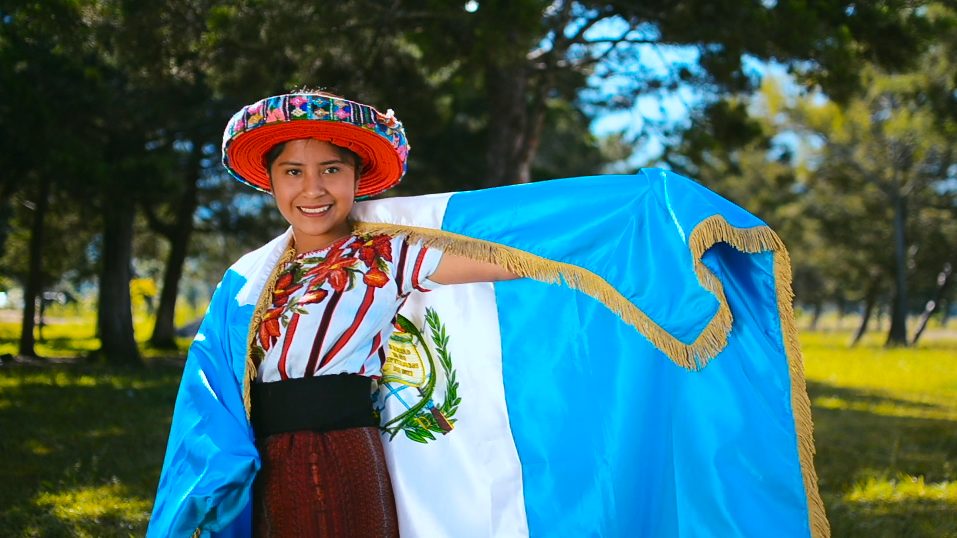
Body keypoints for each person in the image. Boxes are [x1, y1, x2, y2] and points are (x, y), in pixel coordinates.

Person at [150, 91, 829, 538]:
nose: (313, 187)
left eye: (330, 169)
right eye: (293, 171)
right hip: (266, 457)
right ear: (269, 183)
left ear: (358, 181)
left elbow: (511, 256)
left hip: (337, 451)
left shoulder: (386, 256)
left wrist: (622, 225)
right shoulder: (251, 278)